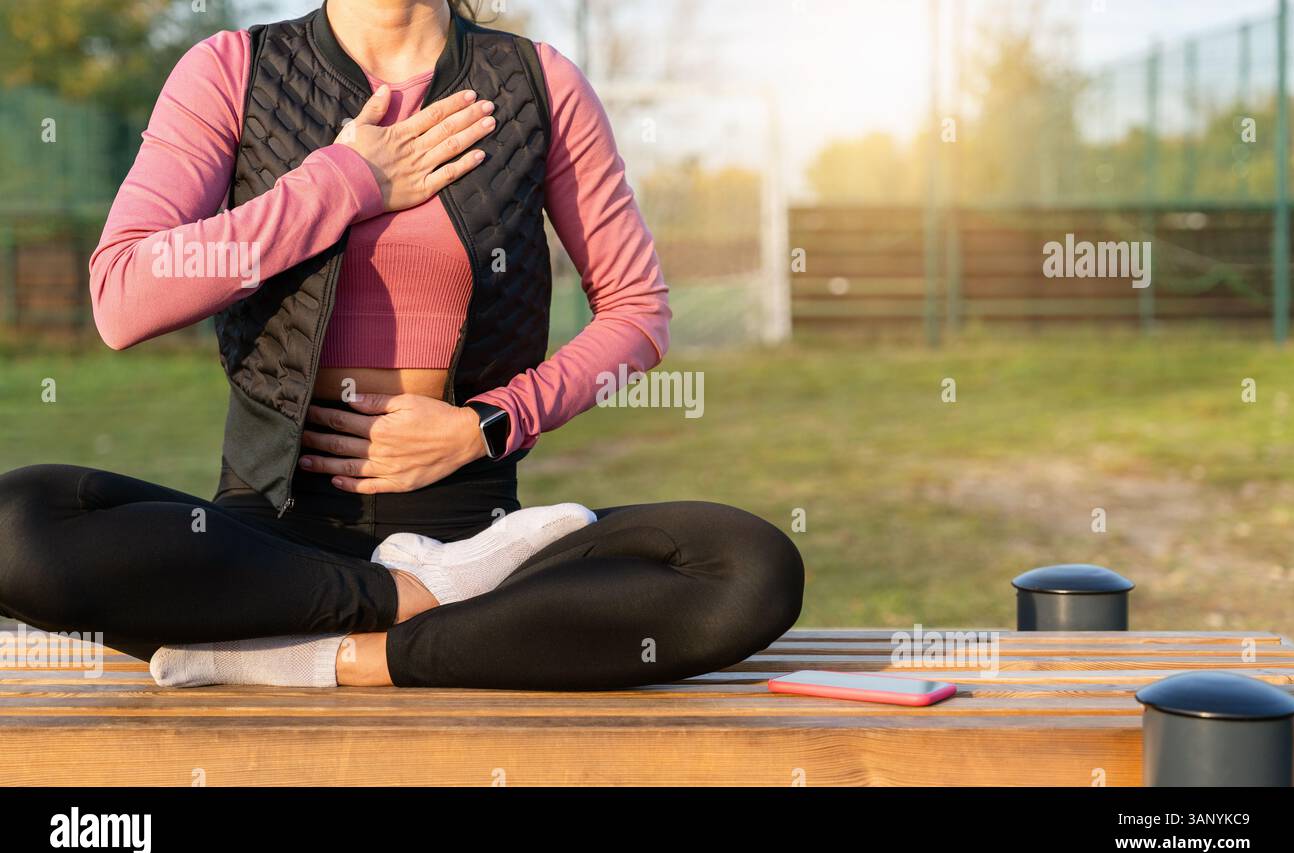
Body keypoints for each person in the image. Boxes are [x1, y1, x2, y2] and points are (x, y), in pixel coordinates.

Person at [0, 0, 803, 690]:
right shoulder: (230, 70)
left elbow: (637, 314)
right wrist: (346, 180)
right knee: (16, 523)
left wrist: (487, 422)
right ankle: (403, 604)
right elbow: (123, 294)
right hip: (266, 545)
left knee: (748, 566)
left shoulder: (539, 83)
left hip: (478, 545)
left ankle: (331, 656)